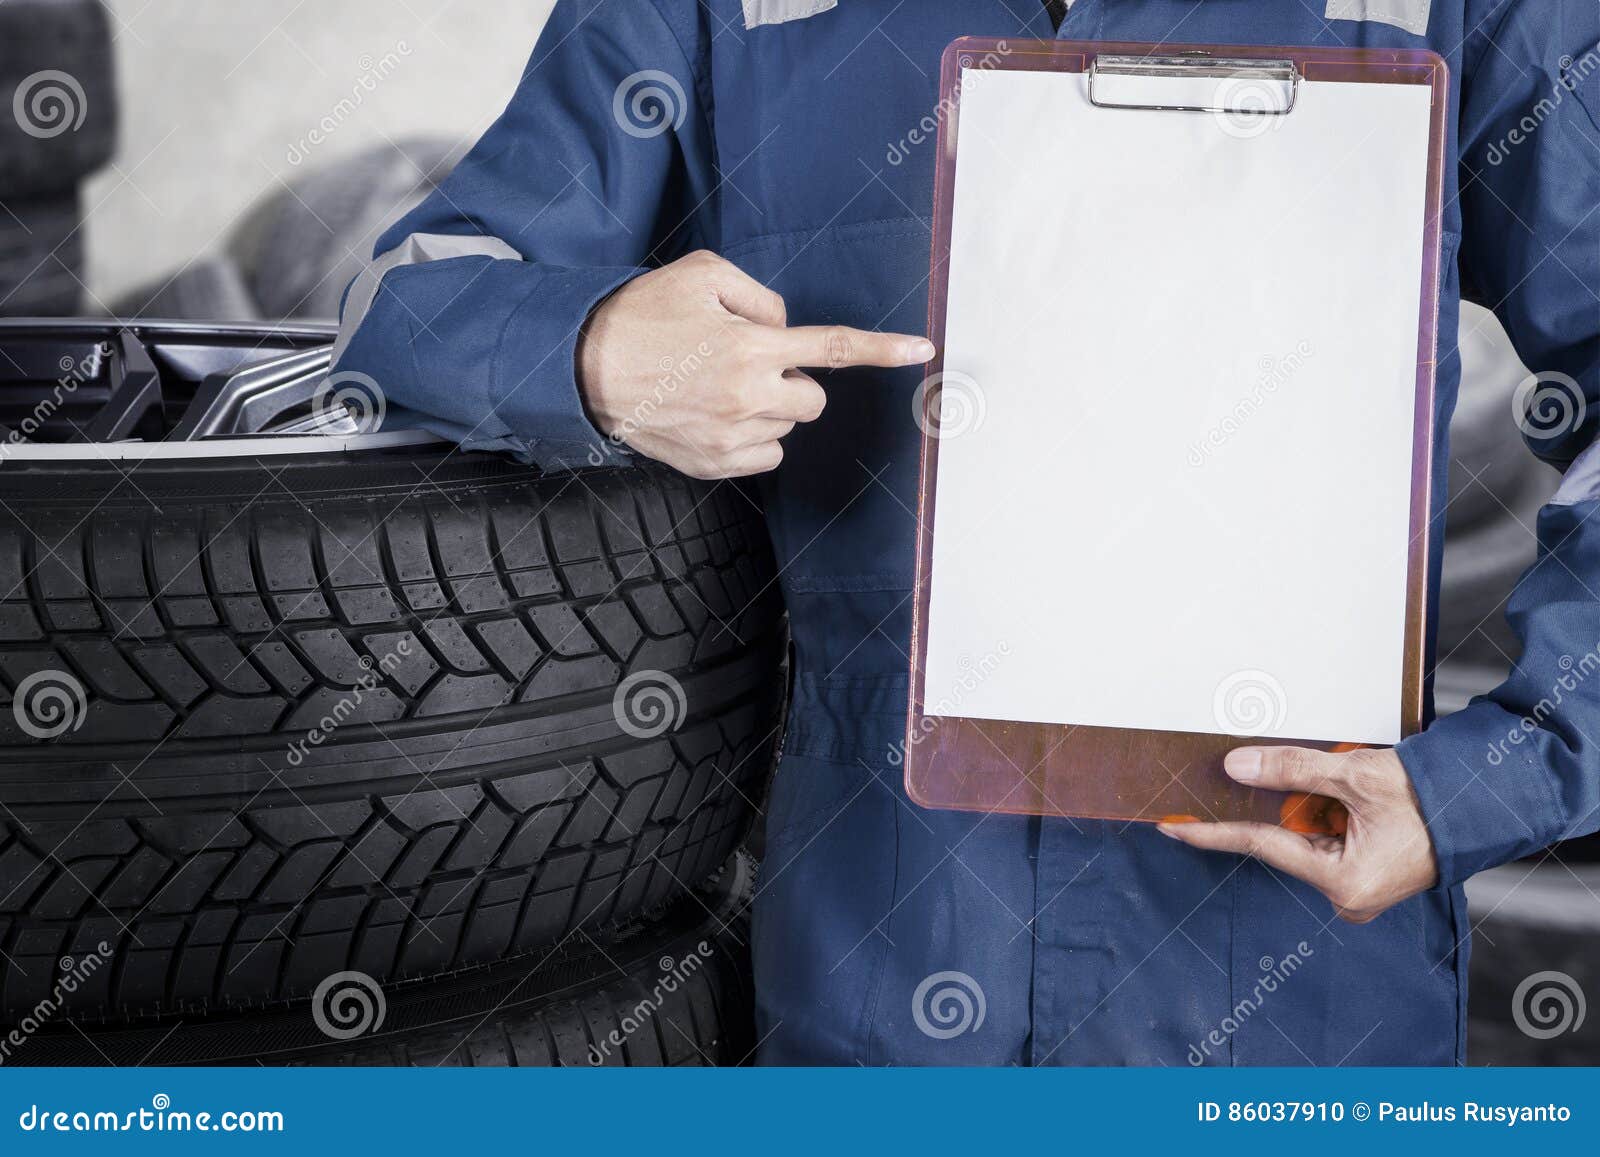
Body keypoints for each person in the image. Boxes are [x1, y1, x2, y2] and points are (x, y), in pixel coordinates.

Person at [332, 0, 1599, 1065]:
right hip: (877, 965)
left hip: (1297, 987)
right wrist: (597, 350)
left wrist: (1494, 777)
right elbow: (413, 289)